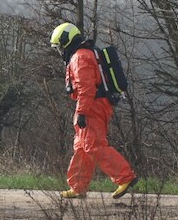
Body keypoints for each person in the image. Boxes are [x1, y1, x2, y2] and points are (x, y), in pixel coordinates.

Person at [50, 22, 138, 199]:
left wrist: (82, 112)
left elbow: (86, 88)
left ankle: (125, 177)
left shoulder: (80, 57)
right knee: (81, 147)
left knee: (94, 146)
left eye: (59, 46)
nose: (60, 51)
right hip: (91, 104)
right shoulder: (83, 54)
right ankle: (78, 186)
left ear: (66, 42)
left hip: (92, 105)